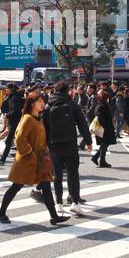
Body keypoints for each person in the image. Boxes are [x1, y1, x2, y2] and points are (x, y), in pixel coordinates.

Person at [0, 91, 68, 226]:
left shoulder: (38, 118)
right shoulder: (28, 118)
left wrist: (45, 150)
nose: (43, 103)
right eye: (39, 101)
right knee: (16, 186)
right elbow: (20, 138)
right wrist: (30, 152)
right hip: (27, 159)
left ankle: (54, 216)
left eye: (43, 101)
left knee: (46, 187)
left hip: (40, 158)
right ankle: (1, 212)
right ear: (32, 104)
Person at [43, 81, 93, 215]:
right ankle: (75, 202)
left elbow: (45, 128)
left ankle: (58, 203)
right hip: (70, 143)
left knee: (57, 175)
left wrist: (46, 145)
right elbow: (82, 123)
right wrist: (88, 141)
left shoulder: (48, 105)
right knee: (73, 173)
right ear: (67, 91)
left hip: (54, 145)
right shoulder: (72, 104)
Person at [91, 88, 117, 168]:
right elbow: (101, 118)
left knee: (104, 144)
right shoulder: (102, 106)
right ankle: (101, 161)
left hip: (104, 128)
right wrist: (105, 126)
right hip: (104, 129)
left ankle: (97, 158)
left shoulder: (100, 104)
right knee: (104, 144)